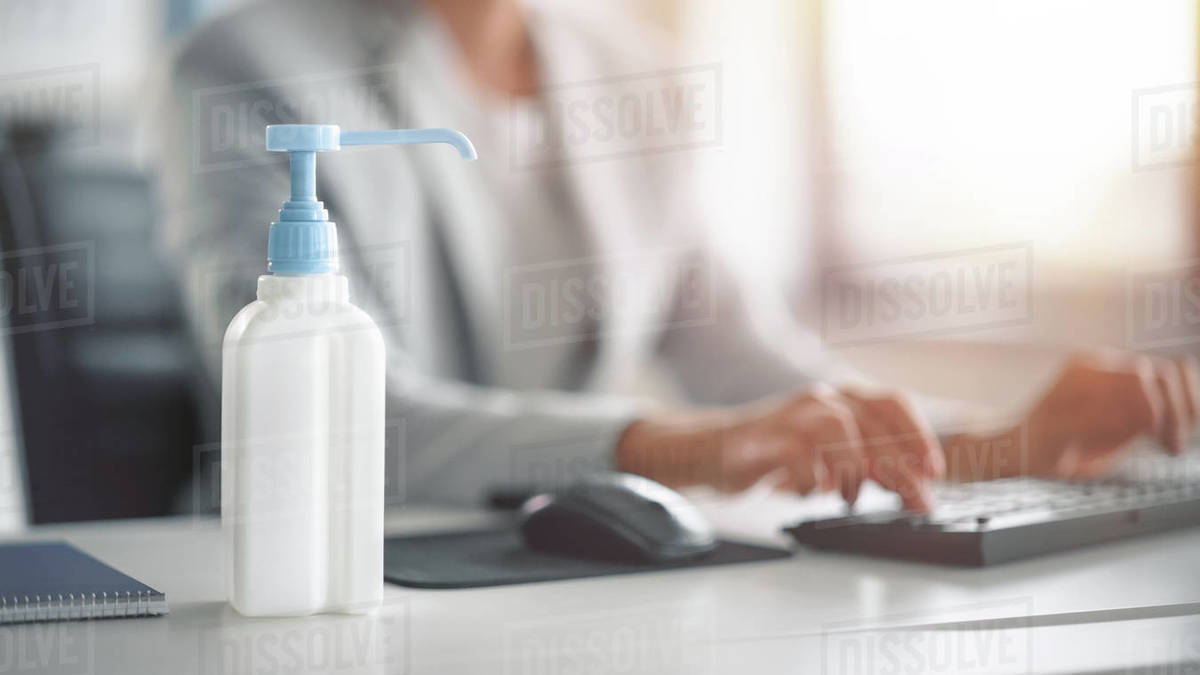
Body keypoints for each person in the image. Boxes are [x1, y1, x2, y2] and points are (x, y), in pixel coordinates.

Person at [156, 0, 1200, 511]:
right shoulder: (243, 66)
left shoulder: (633, 73)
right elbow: (343, 424)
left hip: (560, 572)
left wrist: (1000, 443)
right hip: (324, 576)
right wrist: (690, 448)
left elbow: (755, 372)